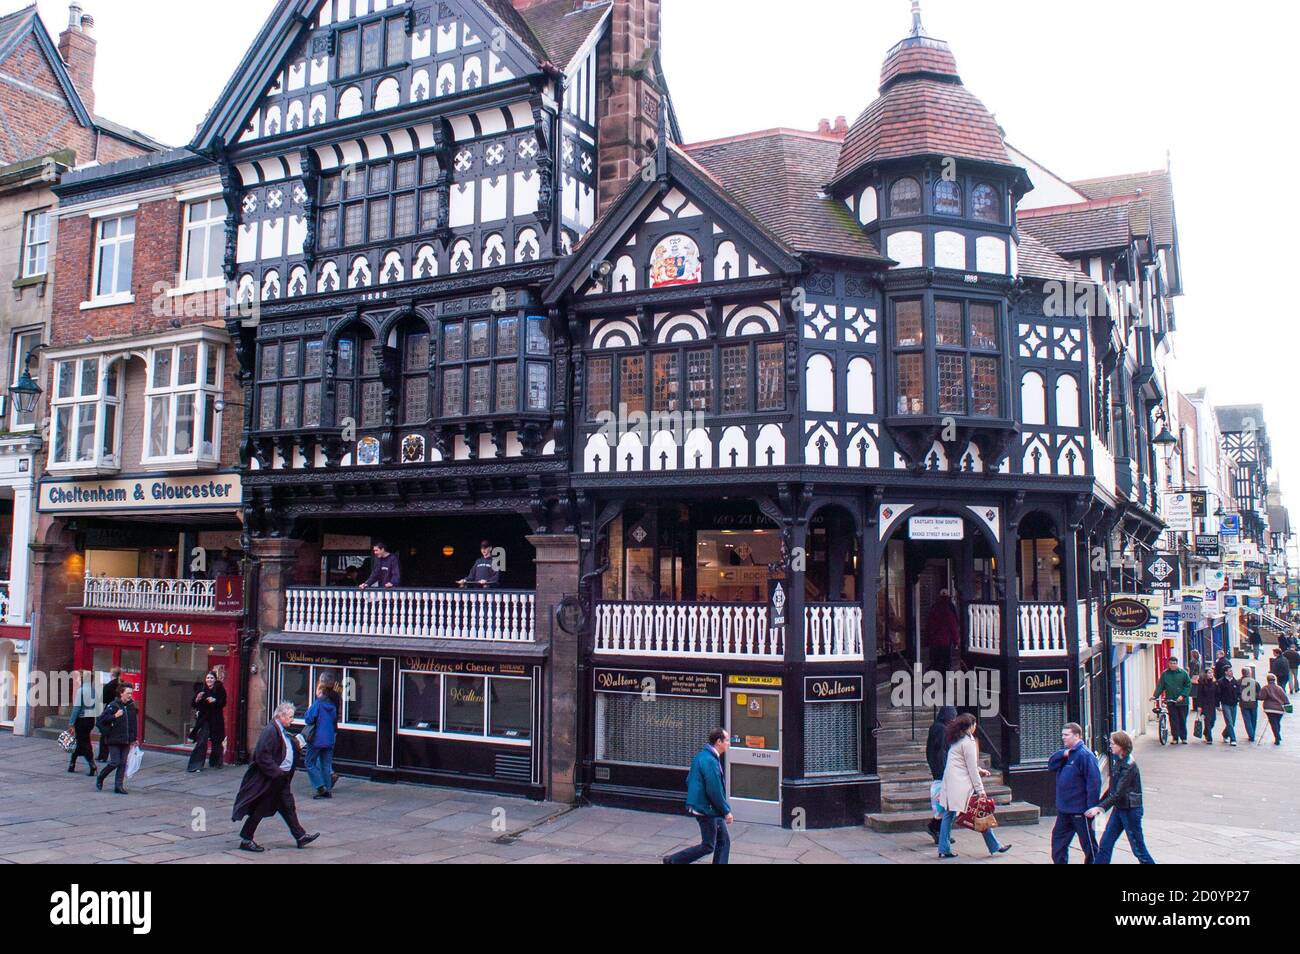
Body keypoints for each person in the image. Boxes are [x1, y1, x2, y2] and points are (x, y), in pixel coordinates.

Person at [231, 702, 320, 852]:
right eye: (290, 717)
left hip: (280, 778)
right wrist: (277, 773)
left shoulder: (281, 730)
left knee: (287, 806)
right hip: (272, 778)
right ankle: (246, 839)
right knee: (261, 807)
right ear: (281, 716)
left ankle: (300, 836)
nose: (292, 720)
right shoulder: (270, 730)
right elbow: (262, 756)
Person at [935, 713, 1009, 859]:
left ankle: (943, 848)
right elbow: (971, 769)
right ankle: (995, 845)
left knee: (949, 815)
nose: (976, 727)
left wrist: (980, 770)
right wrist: (981, 791)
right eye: (975, 725)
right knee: (980, 812)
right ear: (971, 726)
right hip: (961, 786)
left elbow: (963, 764)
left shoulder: (957, 740)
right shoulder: (968, 742)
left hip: (951, 783)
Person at [664, 728, 733, 864]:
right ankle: (673, 860)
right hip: (707, 809)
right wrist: (726, 811)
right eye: (727, 740)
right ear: (718, 742)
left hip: (706, 806)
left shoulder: (702, 756)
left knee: (724, 840)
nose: (729, 743)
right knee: (708, 845)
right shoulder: (710, 761)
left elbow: (689, 780)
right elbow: (715, 790)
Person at [1088, 731, 1156, 864]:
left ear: (1121, 746)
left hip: (1130, 811)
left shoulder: (1128, 765)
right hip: (1120, 809)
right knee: (1106, 843)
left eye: (1113, 744)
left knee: (1138, 849)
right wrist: (1099, 806)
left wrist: (1100, 808)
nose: (1110, 746)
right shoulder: (1118, 761)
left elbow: (1118, 793)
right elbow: (1113, 789)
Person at [1047, 722, 1101, 864]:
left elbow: (1094, 782)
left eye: (1066, 735)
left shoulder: (1085, 756)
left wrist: (1092, 806)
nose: (1063, 738)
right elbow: (1051, 765)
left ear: (1077, 736)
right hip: (1064, 810)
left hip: (1080, 811)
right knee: (1058, 844)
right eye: (1062, 735)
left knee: (1089, 846)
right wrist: (1063, 753)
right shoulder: (1066, 754)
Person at [94, 683, 138, 795]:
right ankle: (101, 776)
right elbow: (100, 720)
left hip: (126, 739)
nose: (130, 695)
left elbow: (133, 723)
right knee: (115, 762)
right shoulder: (113, 705)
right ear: (121, 693)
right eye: (128, 693)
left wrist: (134, 738)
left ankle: (118, 786)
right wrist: (114, 716)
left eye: (131, 693)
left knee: (123, 763)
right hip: (113, 739)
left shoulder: (131, 706)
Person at [925, 705, 957, 844]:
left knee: (945, 805)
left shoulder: (936, 727)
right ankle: (937, 830)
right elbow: (941, 752)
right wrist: (945, 771)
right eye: (952, 717)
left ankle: (941, 832)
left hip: (939, 769)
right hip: (942, 771)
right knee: (946, 805)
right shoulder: (942, 729)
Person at [304, 675, 339, 799]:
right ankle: (328, 790)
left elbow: (308, 719)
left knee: (309, 762)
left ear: (320, 692)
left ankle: (320, 787)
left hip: (316, 738)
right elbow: (334, 719)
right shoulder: (332, 705)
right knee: (325, 764)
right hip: (329, 738)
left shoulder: (317, 704)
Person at [187, 672, 227, 772]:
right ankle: (195, 765)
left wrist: (215, 701)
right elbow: (194, 704)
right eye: (208, 678)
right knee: (202, 740)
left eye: (211, 678)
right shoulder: (201, 689)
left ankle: (216, 762)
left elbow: (223, 703)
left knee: (217, 741)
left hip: (216, 719)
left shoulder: (220, 689)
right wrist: (197, 699)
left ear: (215, 679)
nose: (209, 680)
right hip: (204, 719)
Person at [1152, 656, 1192, 744]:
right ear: (1168, 664)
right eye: (1171, 663)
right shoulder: (1165, 674)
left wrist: (1183, 695)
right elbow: (1160, 686)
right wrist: (1155, 696)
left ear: (1177, 664)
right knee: (1173, 720)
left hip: (1182, 702)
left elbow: (1188, 685)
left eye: (1174, 663)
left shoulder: (1183, 673)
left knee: (1182, 719)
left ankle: (1183, 737)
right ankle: (1175, 738)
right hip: (1171, 700)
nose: (1173, 665)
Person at [66, 671, 98, 776]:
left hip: (82, 720)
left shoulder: (81, 691)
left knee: (84, 743)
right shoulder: (94, 691)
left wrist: (71, 722)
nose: (78, 680)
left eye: (80, 678)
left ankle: (92, 764)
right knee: (80, 741)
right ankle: (72, 763)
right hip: (90, 719)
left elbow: (76, 708)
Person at [924, 589, 959, 675]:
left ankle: (937, 679)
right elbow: (953, 625)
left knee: (935, 662)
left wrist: (927, 640)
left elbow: (929, 625)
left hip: (935, 641)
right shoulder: (950, 608)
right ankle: (944, 682)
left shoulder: (934, 607)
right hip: (946, 641)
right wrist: (956, 641)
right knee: (946, 664)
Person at [96, 667, 121, 763]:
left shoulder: (109, 685)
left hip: (110, 710)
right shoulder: (120, 684)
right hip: (119, 709)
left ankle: (103, 755)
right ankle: (116, 754)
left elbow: (103, 699)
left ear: (112, 674)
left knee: (105, 733)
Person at [1260, 674, 1289, 746]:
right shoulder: (1279, 688)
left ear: (1267, 680)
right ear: (1274, 680)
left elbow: (1261, 697)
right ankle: (1278, 735)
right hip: (1279, 709)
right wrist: (1287, 704)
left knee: (1273, 724)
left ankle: (1277, 737)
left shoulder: (1265, 688)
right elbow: (1285, 698)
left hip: (1269, 709)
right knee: (1277, 723)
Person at [1194, 667, 1218, 744]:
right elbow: (1199, 695)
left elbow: (1217, 695)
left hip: (1212, 704)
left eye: (1212, 673)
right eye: (1209, 673)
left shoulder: (1215, 683)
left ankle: (1206, 732)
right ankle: (1209, 738)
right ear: (1205, 674)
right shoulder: (1202, 683)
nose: (1211, 674)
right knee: (1207, 720)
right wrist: (1199, 706)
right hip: (1205, 704)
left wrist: (1218, 705)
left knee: (1213, 720)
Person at [1217, 667, 1240, 746]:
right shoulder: (1221, 682)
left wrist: (1238, 699)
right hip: (1225, 703)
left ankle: (1225, 734)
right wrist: (1218, 704)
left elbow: (1238, 692)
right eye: (1230, 671)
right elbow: (1218, 694)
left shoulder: (1235, 681)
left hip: (1234, 704)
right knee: (1229, 721)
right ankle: (1233, 739)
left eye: (1232, 671)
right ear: (1226, 672)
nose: (1231, 672)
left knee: (1232, 722)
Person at [1240, 666, 1260, 742]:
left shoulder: (1239, 681)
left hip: (1244, 703)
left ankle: (1251, 735)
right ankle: (1252, 734)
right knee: (1253, 719)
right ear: (1249, 673)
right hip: (1253, 703)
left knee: (1247, 720)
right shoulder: (1255, 682)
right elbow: (1259, 692)